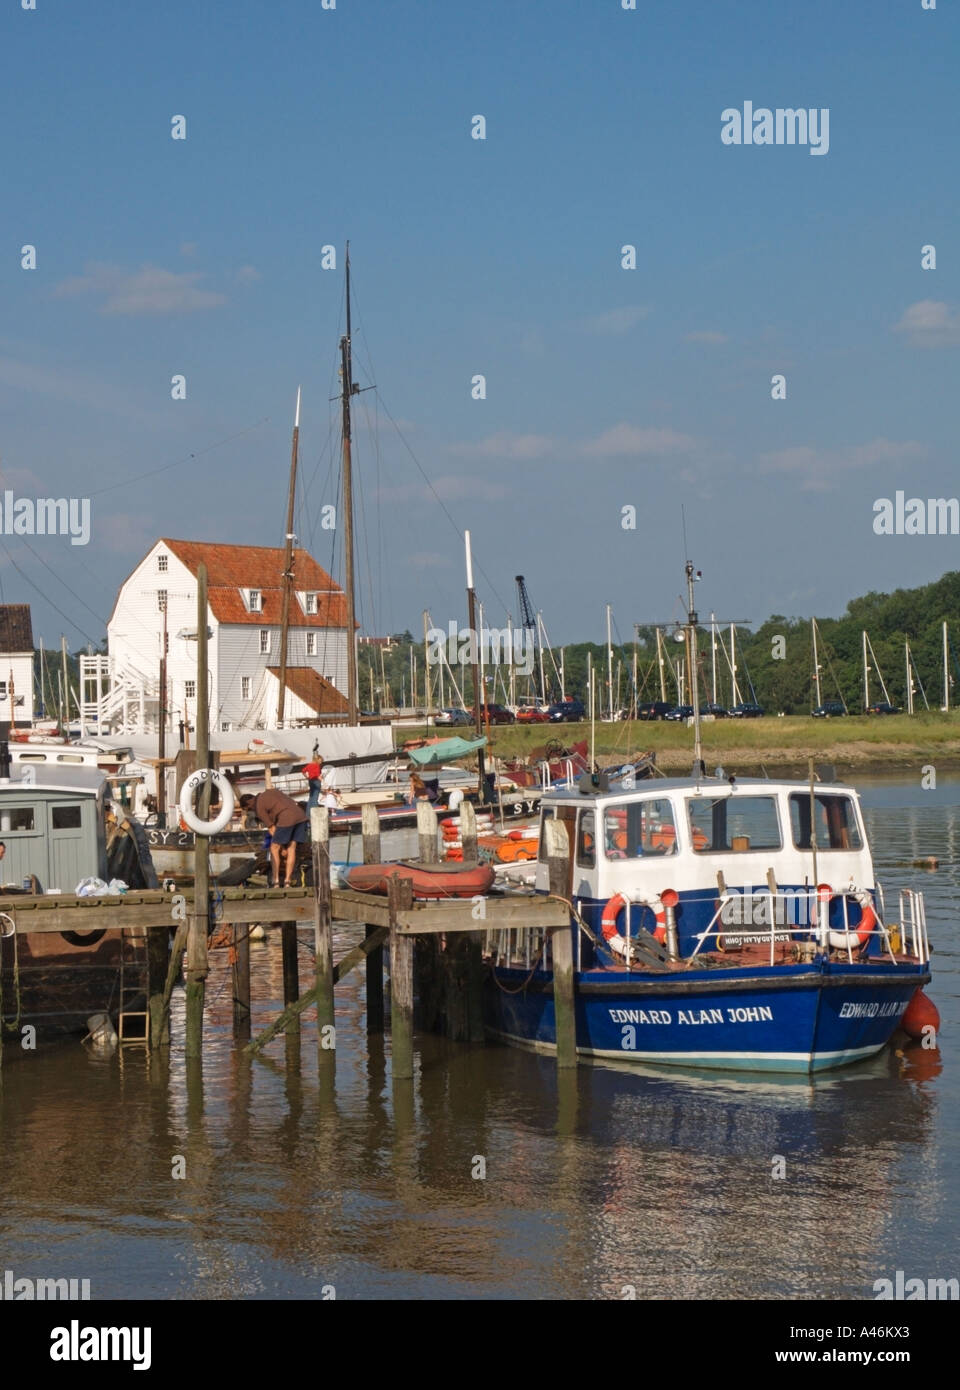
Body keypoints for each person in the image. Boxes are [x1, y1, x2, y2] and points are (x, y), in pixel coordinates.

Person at [239, 790, 308, 888]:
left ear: (248, 805)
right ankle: (287, 881)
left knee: (274, 848)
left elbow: (272, 830)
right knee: (291, 849)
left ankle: (275, 881)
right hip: (301, 816)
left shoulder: (258, 807)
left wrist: (282, 848)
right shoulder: (270, 792)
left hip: (287, 817)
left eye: (247, 810)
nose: (250, 811)